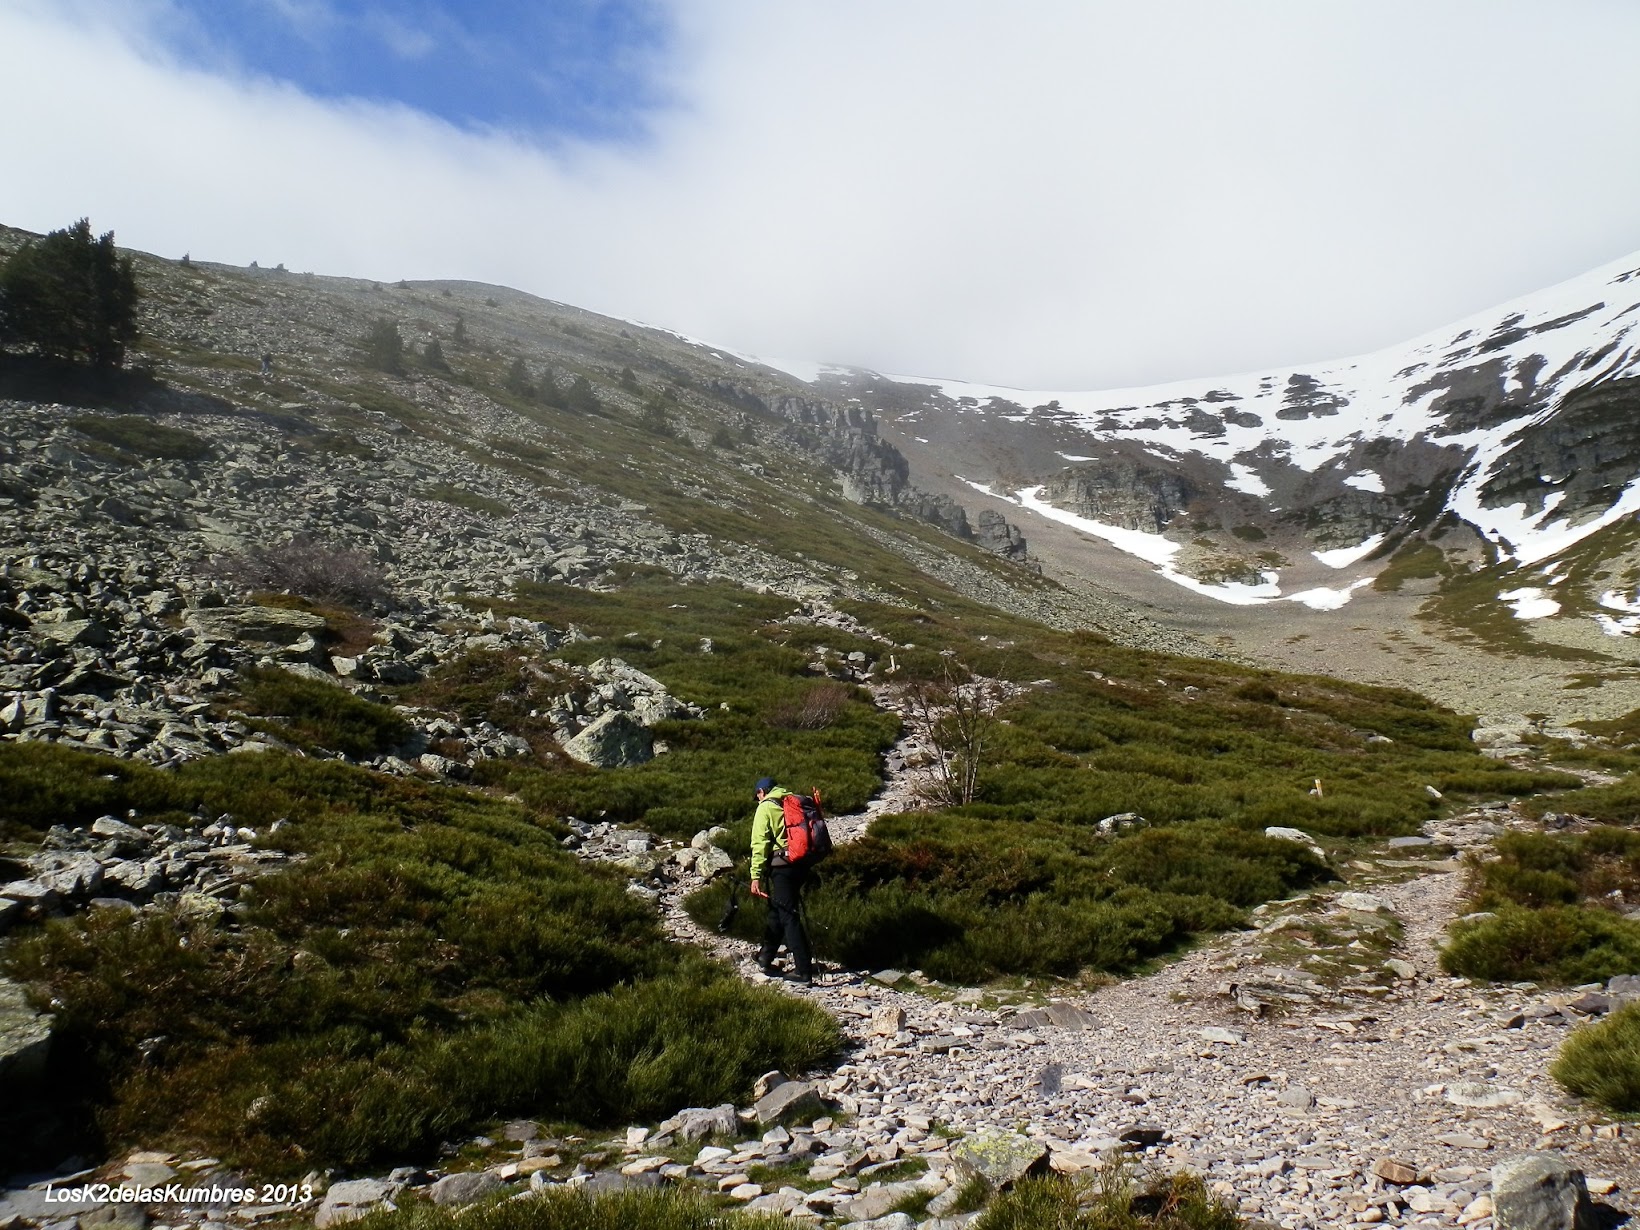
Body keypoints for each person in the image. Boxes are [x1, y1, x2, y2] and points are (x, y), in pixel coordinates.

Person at [749, 775, 814, 984]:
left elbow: (759, 844)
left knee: (787, 915)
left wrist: (755, 876)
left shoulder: (766, 807)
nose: (757, 800)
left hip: (783, 867)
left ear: (762, 792)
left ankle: (804, 972)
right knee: (779, 909)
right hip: (802, 865)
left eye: (757, 796)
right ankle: (765, 957)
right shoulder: (793, 800)